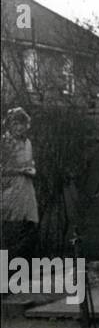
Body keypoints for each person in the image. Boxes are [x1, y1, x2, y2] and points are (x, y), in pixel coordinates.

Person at [0, 107, 40, 260]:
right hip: (9, 193)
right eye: (15, 124)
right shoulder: (5, 142)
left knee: (29, 229)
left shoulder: (28, 143)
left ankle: (21, 272)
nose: (19, 127)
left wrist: (32, 169)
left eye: (22, 124)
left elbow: (30, 162)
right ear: (9, 124)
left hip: (27, 193)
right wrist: (19, 170)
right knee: (11, 231)